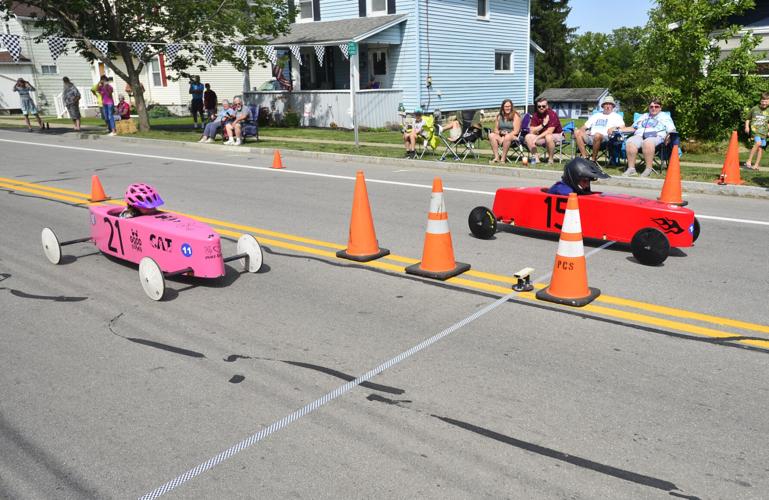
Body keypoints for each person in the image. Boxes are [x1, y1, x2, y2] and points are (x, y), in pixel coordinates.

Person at [621, 98, 676, 177]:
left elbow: (672, 129)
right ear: (649, 107)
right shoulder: (644, 116)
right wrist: (617, 129)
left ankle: (648, 169)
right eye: (651, 106)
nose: (653, 108)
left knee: (647, 142)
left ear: (660, 108)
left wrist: (669, 136)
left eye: (656, 106)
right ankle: (631, 169)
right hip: (639, 135)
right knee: (630, 142)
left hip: (656, 136)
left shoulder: (665, 116)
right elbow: (633, 128)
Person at [575, 95, 625, 162]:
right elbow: (584, 127)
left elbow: (623, 127)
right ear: (603, 106)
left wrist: (614, 128)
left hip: (606, 139)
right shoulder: (596, 115)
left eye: (610, 104)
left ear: (613, 106)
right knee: (577, 132)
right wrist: (583, 131)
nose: (608, 106)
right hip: (591, 137)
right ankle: (585, 157)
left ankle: (593, 159)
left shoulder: (616, 116)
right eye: (606, 104)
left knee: (597, 135)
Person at [525, 98, 563, 165]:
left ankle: (550, 159)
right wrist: (543, 125)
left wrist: (537, 137)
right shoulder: (535, 115)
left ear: (547, 106)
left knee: (548, 136)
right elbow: (531, 130)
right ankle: (536, 159)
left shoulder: (552, 114)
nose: (541, 108)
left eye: (543, 106)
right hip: (542, 137)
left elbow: (549, 131)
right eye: (539, 106)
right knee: (528, 137)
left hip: (557, 135)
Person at [488, 99, 522, 164]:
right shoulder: (499, 116)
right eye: (506, 106)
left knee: (507, 137)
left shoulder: (515, 116)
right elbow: (495, 129)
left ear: (511, 107)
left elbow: (516, 131)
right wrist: (501, 133)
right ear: (503, 107)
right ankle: (496, 157)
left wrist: (505, 136)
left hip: (513, 137)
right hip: (501, 136)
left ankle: (503, 159)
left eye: (509, 106)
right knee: (491, 135)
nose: (507, 108)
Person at [744, 92, 769, 170]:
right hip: (755, 131)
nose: (764, 103)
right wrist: (747, 127)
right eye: (763, 101)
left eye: (766, 101)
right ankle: (749, 160)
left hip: (764, 132)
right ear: (760, 101)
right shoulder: (754, 109)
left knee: (760, 148)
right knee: (758, 143)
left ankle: (756, 165)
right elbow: (748, 118)